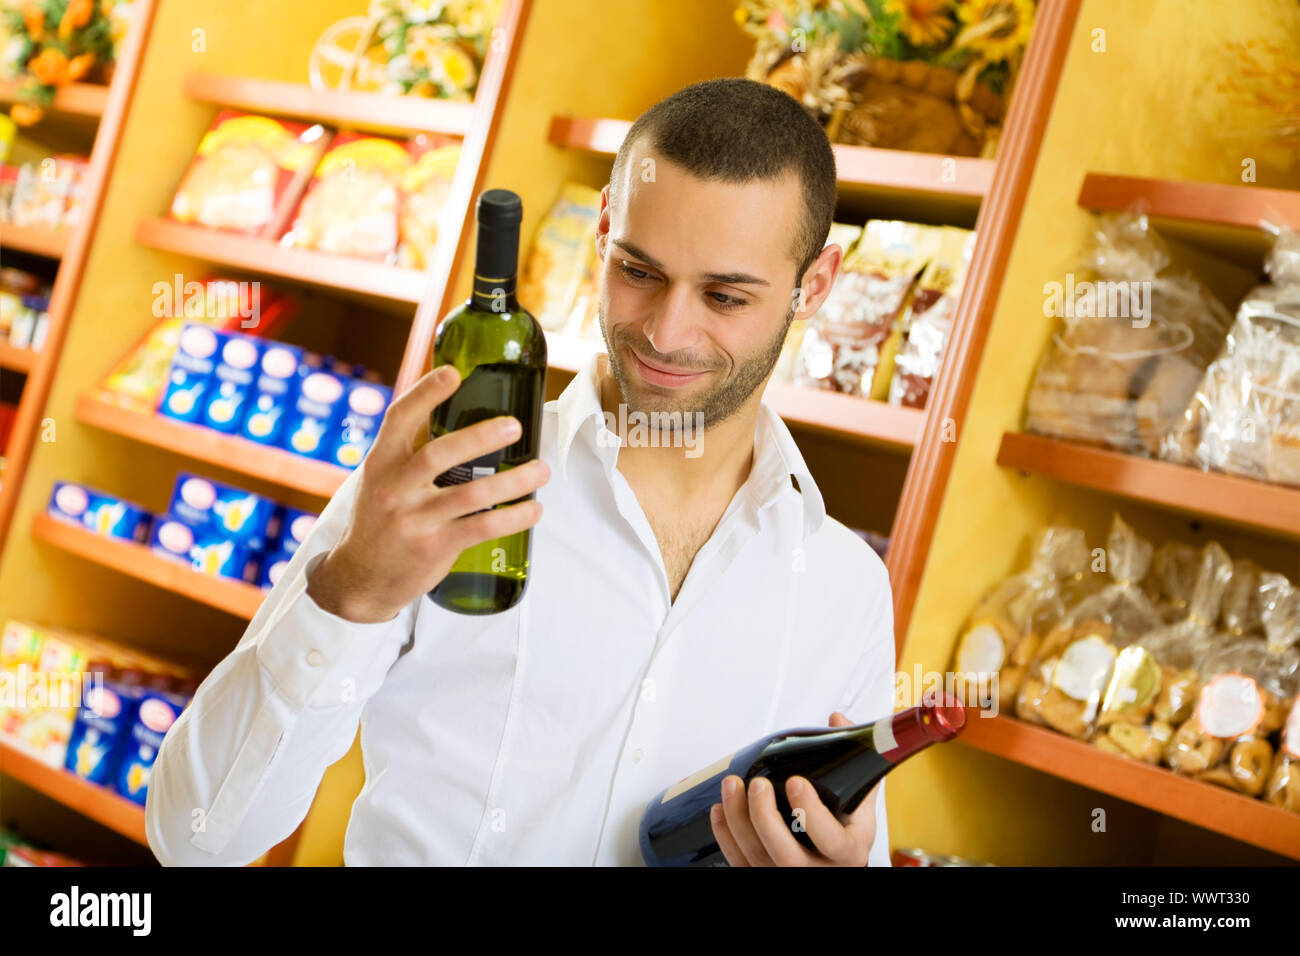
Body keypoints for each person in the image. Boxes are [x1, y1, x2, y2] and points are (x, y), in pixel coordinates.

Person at [145, 77, 896, 867]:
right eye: (639, 273)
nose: (668, 332)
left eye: (725, 296)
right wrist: (353, 589)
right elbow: (196, 840)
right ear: (604, 231)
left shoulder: (844, 593)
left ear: (814, 285)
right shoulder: (442, 483)